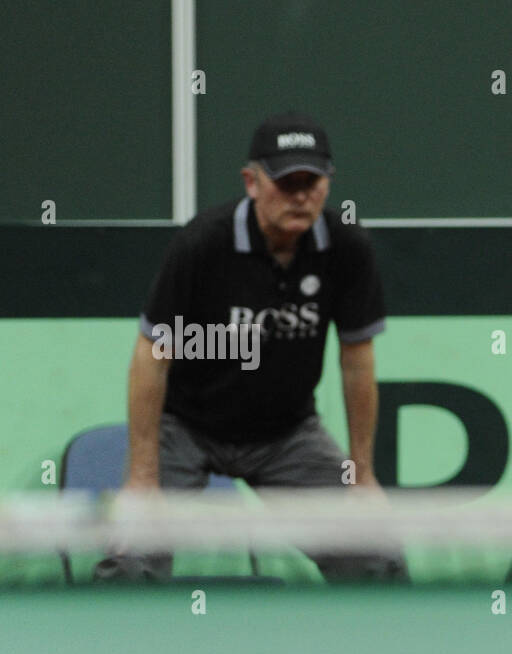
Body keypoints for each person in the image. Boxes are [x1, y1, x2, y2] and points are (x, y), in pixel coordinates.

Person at [94, 111, 406, 583]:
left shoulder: (347, 249)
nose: (301, 195)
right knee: (131, 561)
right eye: (287, 182)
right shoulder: (202, 243)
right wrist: (142, 480)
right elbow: (151, 356)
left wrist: (362, 477)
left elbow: (357, 363)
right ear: (252, 182)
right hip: (186, 428)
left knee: (376, 558)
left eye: (313, 182)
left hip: (287, 435)